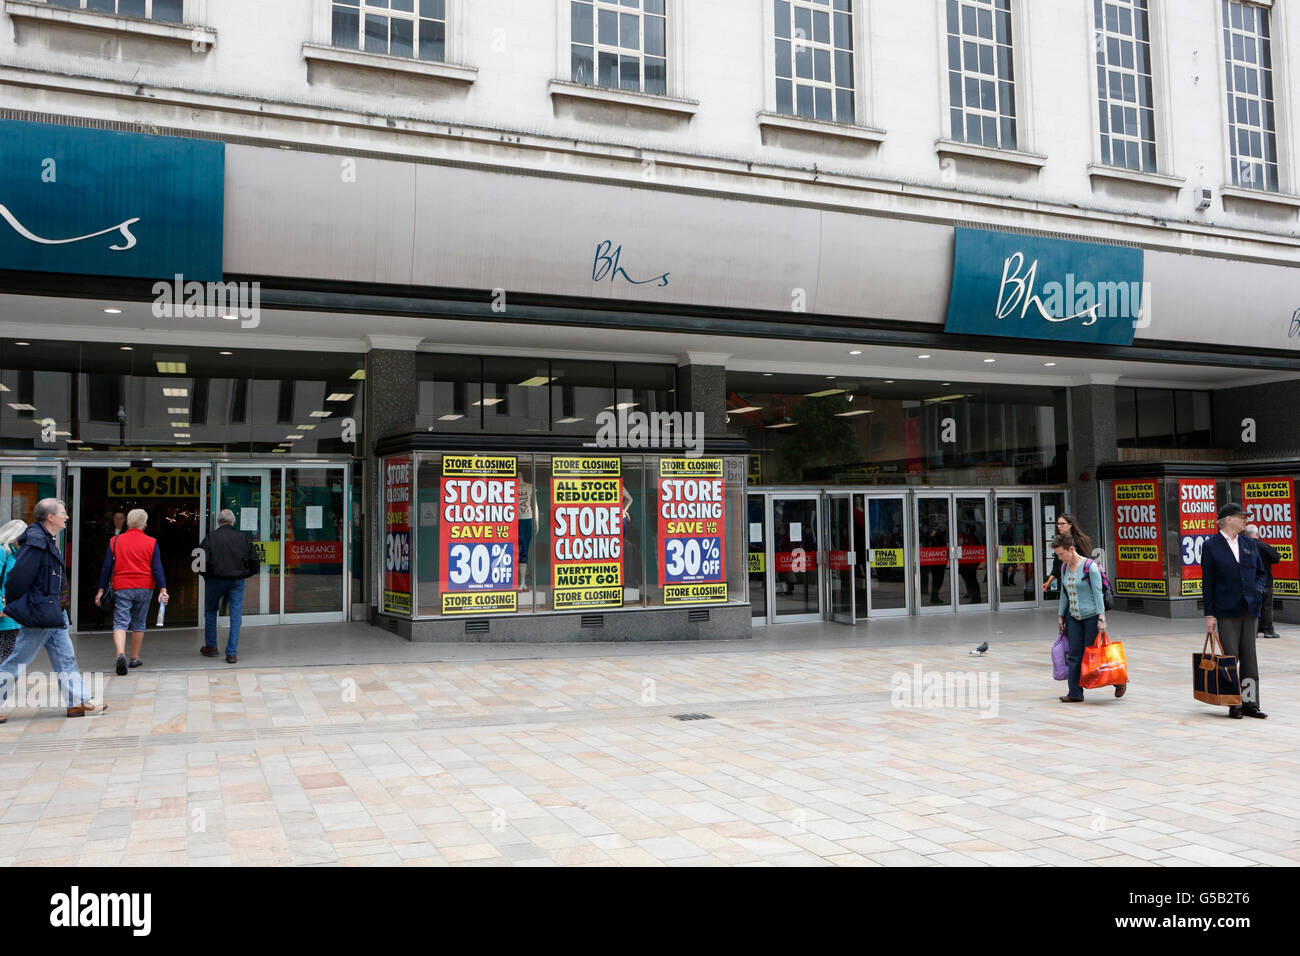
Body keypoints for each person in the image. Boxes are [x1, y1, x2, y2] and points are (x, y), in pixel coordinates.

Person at [0, 498, 107, 721]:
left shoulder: (45, 539)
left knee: (65, 657)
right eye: (63, 513)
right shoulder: (37, 542)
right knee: (19, 659)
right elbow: (17, 578)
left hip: (54, 612)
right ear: (51, 517)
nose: (66, 517)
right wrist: (16, 604)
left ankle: (77, 702)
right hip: (42, 613)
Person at [1202, 503, 1269, 718]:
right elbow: (1208, 583)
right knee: (1230, 657)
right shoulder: (1211, 546)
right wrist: (1210, 615)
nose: (1245, 520)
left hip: (1250, 609)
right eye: (1242, 517)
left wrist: (1257, 590)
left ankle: (1251, 703)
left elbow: (1261, 573)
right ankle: (1234, 703)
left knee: (1250, 657)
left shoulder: (1249, 543)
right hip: (1226, 610)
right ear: (1229, 519)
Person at [94, 508, 168, 676]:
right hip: (144, 586)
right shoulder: (151, 542)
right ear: (144, 525)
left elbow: (106, 567)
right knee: (139, 622)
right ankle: (134, 657)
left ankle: (120, 654)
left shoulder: (115, 541)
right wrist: (162, 588)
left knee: (120, 622)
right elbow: (157, 568)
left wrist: (100, 590)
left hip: (122, 586)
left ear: (128, 523)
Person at [1054, 532, 1124, 703]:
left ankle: (1118, 680)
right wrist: (1061, 614)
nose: (1060, 558)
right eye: (1057, 555)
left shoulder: (1089, 567)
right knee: (1074, 654)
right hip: (1074, 617)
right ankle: (1075, 693)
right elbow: (1065, 594)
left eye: (1062, 554)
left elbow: (1098, 594)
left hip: (1092, 617)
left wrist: (1102, 618)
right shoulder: (1064, 568)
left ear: (1071, 549)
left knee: (1094, 654)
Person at [198, 508, 259, 664]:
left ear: (219, 522)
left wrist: (207, 576)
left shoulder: (211, 537)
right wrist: (245, 574)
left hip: (215, 580)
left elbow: (199, 561)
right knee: (235, 615)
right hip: (237, 581)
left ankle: (211, 646)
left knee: (211, 611)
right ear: (233, 521)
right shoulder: (242, 538)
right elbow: (255, 561)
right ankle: (231, 653)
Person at [1245, 523, 1281, 639]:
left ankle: (1253, 631)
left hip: (1250, 582)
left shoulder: (1243, 547)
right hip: (1266, 582)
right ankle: (1268, 630)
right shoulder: (1264, 546)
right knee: (1267, 607)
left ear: (1246, 534)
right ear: (1257, 534)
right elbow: (1276, 558)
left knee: (1252, 607)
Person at [1042, 513, 1094, 593]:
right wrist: (1048, 582)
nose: (1059, 526)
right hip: (1066, 579)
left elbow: (1085, 561)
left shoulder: (1080, 541)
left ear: (1070, 525)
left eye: (1062, 524)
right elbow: (1056, 565)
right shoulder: (1059, 541)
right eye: (1058, 524)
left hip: (1079, 580)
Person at [0, 519, 27, 666]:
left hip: (13, 612)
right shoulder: (2, 552)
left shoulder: (16, 554)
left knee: (10, 651)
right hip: (3, 611)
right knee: (5, 652)